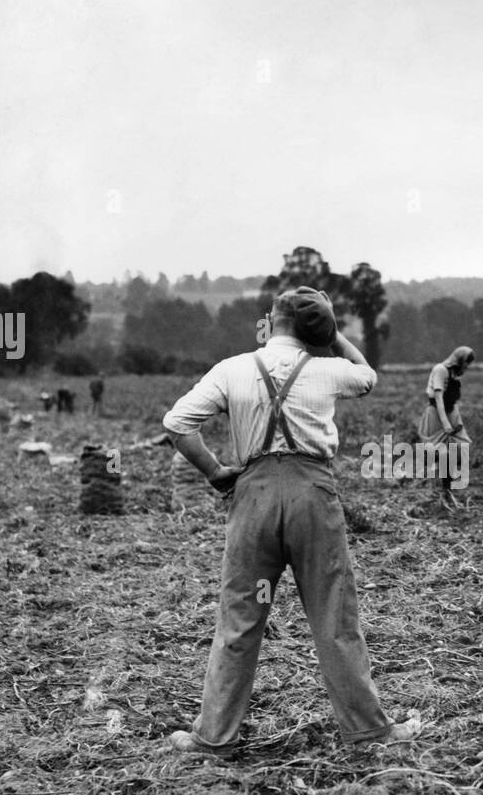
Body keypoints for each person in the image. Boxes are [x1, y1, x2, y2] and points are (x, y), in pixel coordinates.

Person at [162, 286, 419, 755]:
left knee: (239, 618)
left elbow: (177, 423)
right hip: (313, 498)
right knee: (334, 616)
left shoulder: (232, 369)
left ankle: (214, 737)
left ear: (271, 320)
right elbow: (368, 376)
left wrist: (217, 472)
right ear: (317, 332)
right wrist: (336, 336)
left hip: (252, 497)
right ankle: (369, 733)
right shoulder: (327, 370)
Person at [417, 346, 475, 508]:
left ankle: (446, 488)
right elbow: (439, 398)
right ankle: (443, 488)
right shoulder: (440, 370)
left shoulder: (454, 375)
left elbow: (453, 401)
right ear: (459, 360)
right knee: (438, 451)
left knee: (459, 450)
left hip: (450, 414)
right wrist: (446, 423)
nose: (467, 367)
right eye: (466, 363)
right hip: (436, 415)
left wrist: (456, 419)